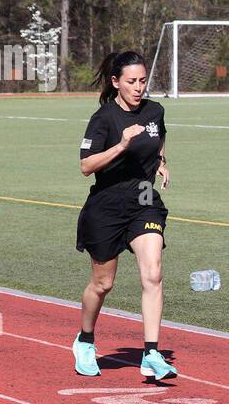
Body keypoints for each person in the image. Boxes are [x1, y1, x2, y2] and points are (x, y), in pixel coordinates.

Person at [73, 51, 176, 381]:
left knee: (153, 272)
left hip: (144, 201)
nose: (138, 87)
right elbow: (86, 167)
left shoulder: (155, 111)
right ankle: (85, 341)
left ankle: (151, 353)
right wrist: (120, 145)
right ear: (116, 82)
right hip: (106, 205)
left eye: (143, 80)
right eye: (131, 81)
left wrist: (160, 161)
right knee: (103, 284)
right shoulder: (103, 118)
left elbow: (158, 139)